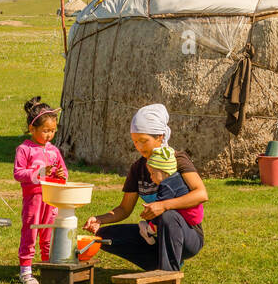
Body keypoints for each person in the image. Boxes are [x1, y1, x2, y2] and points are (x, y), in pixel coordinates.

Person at [83, 104, 207, 272]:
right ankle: (157, 265)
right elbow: (124, 209)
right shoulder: (137, 168)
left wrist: (163, 205)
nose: (139, 147)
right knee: (103, 237)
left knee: (168, 216)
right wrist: (100, 219)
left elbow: (201, 194)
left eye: (143, 141)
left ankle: (167, 277)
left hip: (187, 236)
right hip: (153, 233)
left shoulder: (177, 160)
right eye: (135, 141)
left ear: (160, 137)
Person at [13, 97, 67, 284]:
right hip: (33, 199)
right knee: (30, 233)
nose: (49, 135)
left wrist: (60, 175)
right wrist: (39, 173)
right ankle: (25, 271)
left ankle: (47, 267)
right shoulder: (24, 149)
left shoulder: (54, 151)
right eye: (45, 131)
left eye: (52, 131)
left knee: (48, 234)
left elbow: (64, 173)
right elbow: (18, 173)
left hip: (51, 200)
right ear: (32, 129)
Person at [136, 145, 197, 245]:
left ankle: (148, 231)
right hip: (193, 216)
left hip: (188, 216)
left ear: (165, 172)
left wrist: (149, 213)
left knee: (161, 213)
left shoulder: (166, 186)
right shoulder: (177, 178)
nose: (151, 177)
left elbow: (158, 207)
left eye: (152, 173)